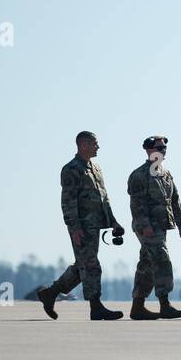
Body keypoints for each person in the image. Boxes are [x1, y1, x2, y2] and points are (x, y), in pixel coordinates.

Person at [37, 131, 124, 320]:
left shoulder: (96, 168)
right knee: (91, 265)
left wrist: (113, 221)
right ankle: (96, 307)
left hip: (95, 226)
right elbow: (67, 202)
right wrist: (74, 227)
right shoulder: (71, 169)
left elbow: (104, 198)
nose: (98, 147)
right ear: (83, 145)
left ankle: (50, 294)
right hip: (81, 227)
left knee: (82, 266)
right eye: (95, 143)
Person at [127, 135, 181, 321]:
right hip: (147, 228)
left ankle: (138, 306)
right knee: (162, 260)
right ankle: (164, 303)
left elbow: (175, 200)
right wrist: (145, 226)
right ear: (148, 150)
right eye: (158, 148)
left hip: (161, 226)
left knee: (147, 265)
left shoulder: (165, 174)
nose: (162, 151)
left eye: (164, 148)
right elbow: (137, 204)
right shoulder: (139, 175)